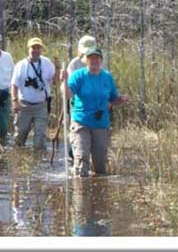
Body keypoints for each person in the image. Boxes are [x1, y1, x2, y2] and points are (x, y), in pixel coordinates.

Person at [66, 47, 129, 177]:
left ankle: (98, 188)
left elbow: (113, 98)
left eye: (97, 58)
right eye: (91, 58)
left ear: (101, 60)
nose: (94, 60)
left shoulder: (107, 77)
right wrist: (64, 83)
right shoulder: (78, 76)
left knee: (100, 164)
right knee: (82, 157)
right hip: (81, 122)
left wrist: (121, 100)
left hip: (101, 123)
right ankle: (79, 186)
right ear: (86, 60)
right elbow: (67, 94)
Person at [59, 35, 102, 162]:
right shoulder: (74, 64)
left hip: (97, 108)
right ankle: (75, 160)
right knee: (77, 138)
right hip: (78, 107)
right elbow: (68, 89)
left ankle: (93, 162)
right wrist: (64, 80)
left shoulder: (100, 63)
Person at [10, 37, 56, 150]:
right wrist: (15, 101)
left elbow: (54, 81)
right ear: (28, 49)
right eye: (33, 48)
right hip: (24, 105)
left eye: (38, 48)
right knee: (19, 139)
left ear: (41, 50)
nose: (35, 50)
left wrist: (59, 70)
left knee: (39, 141)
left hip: (41, 105)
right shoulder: (21, 65)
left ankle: (39, 159)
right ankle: (20, 158)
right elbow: (14, 85)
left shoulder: (47, 63)